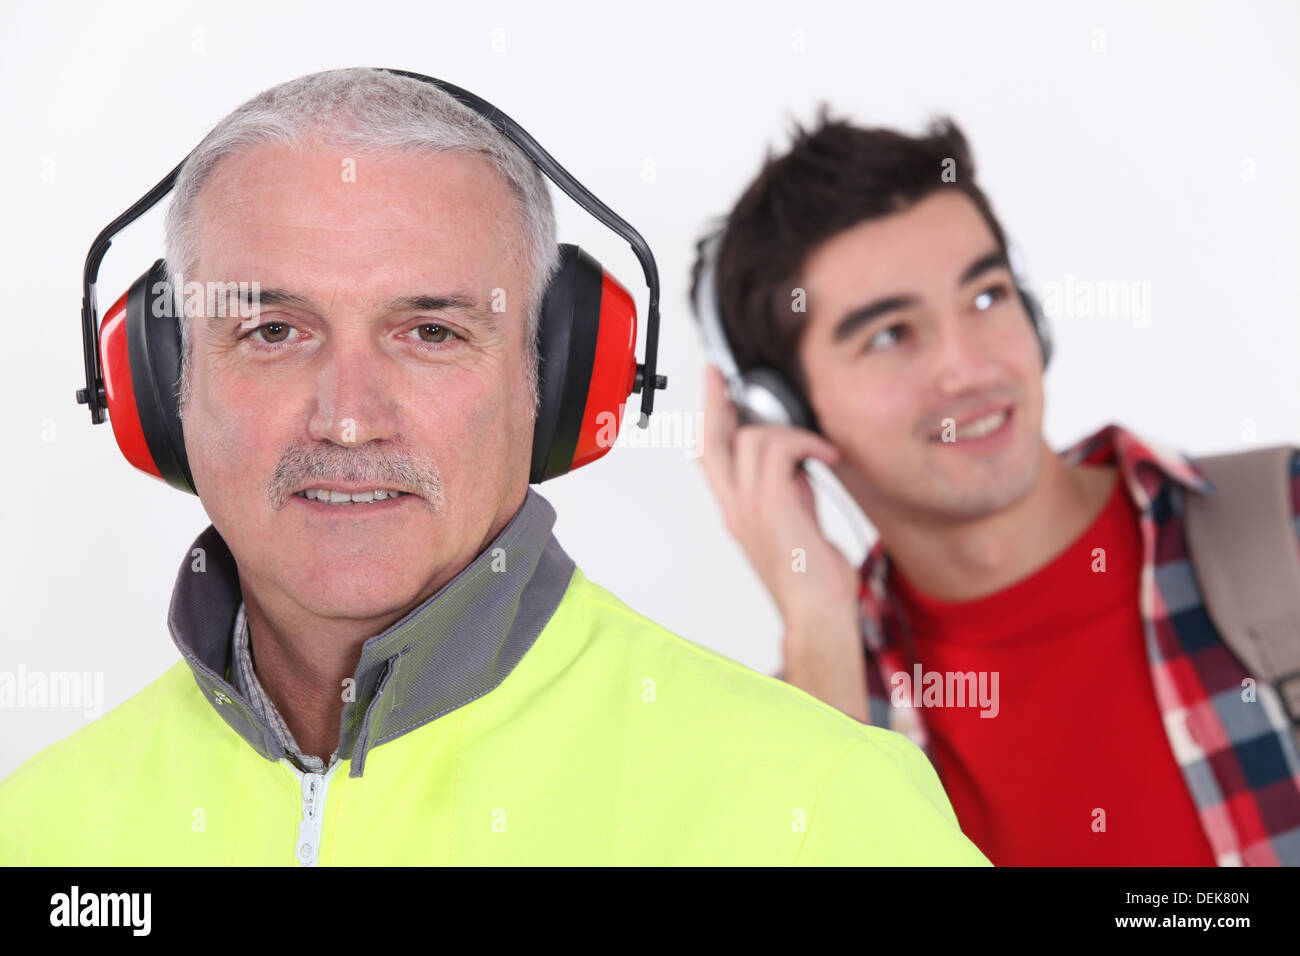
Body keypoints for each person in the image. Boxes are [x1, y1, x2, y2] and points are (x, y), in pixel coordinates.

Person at [0, 70, 987, 866]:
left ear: (553, 383)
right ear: (159, 383)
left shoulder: (819, 809)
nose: (348, 418)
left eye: (430, 330)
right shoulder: (33, 830)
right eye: (271, 329)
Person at [691, 108, 1300, 866]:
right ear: (786, 411)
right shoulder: (820, 708)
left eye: (986, 297)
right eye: (890, 334)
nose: (971, 367)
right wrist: (817, 626)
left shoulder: (1284, 529)